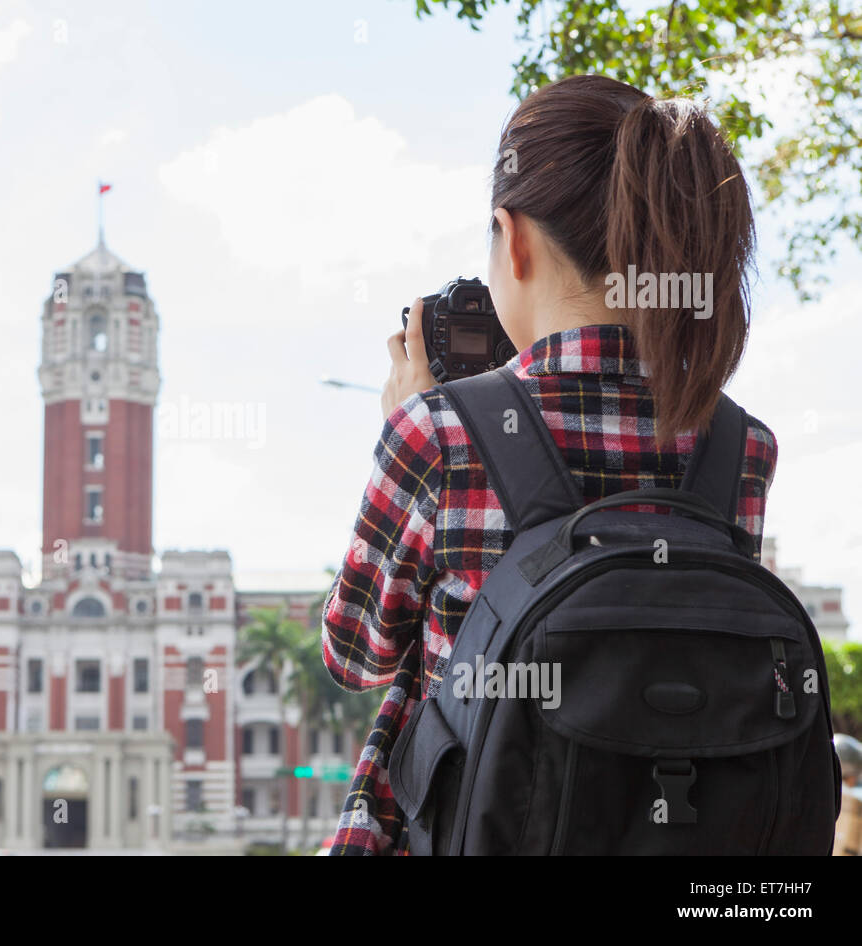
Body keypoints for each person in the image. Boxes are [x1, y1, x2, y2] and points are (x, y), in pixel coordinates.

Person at [320, 74, 776, 855]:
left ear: (515, 239)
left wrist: (409, 423)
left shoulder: (438, 432)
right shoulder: (741, 446)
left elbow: (356, 656)